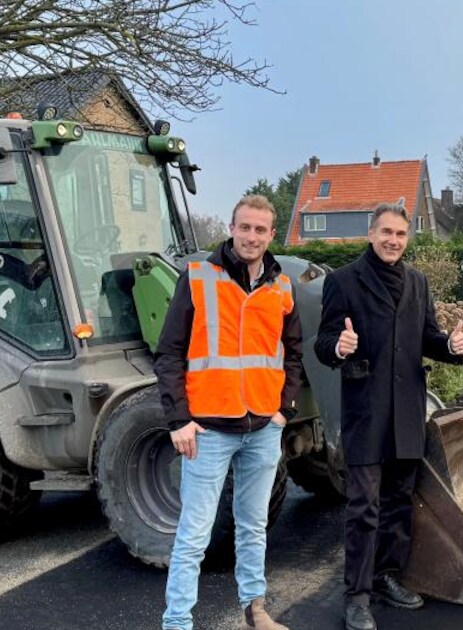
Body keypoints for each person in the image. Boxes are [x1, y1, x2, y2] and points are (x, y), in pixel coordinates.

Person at [313, 203, 463, 630]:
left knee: (399, 501)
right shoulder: (342, 281)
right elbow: (323, 342)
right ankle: (356, 596)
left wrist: (450, 347)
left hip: (406, 410)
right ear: (370, 233)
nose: (393, 241)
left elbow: (428, 338)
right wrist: (337, 347)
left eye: (400, 234)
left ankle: (386, 576)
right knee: (364, 505)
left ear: (407, 238)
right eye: (386, 232)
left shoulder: (417, 283)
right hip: (366, 410)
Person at [156, 194, 303, 630]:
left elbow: (292, 352)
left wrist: (284, 409)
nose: (252, 236)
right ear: (232, 228)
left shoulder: (281, 287)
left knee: (253, 526)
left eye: (260, 229)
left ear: (270, 234)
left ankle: (256, 611)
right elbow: (169, 352)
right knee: (194, 535)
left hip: (263, 426)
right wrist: (178, 419)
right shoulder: (199, 277)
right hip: (208, 429)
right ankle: (177, 622)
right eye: (245, 227)